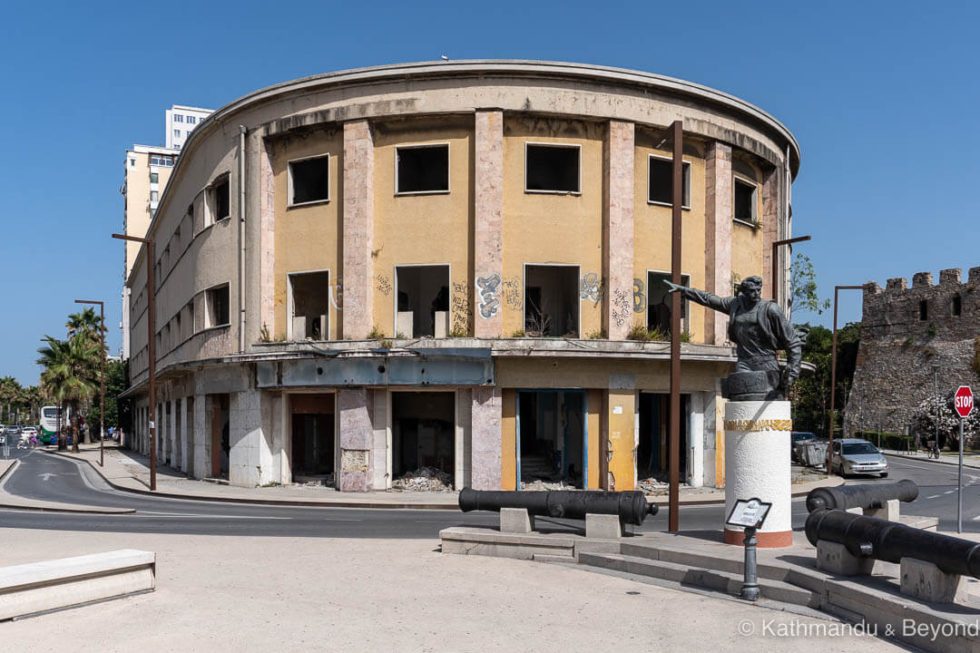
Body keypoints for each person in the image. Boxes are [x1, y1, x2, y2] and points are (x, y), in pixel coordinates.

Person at [664, 275, 802, 398]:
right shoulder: (735, 304)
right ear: (744, 292)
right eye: (752, 291)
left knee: (767, 397)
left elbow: (793, 342)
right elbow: (709, 299)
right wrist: (684, 290)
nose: (756, 294)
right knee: (739, 395)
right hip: (744, 362)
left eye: (758, 290)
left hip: (766, 362)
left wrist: (793, 372)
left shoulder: (770, 309)